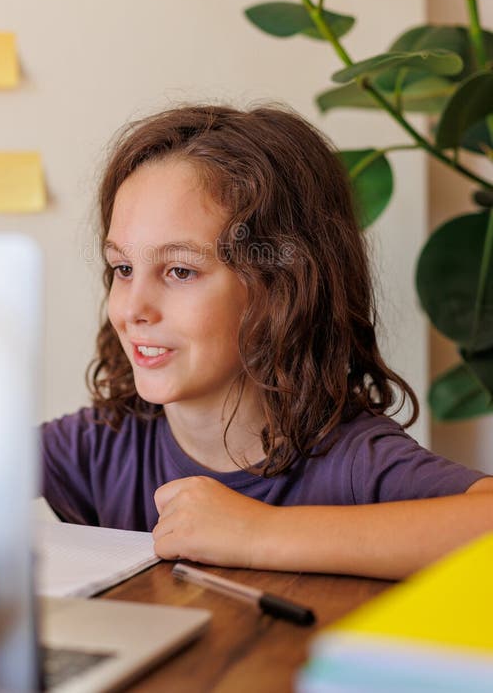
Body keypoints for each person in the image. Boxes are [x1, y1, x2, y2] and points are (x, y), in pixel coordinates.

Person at [42, 104, 493, 580]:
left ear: (284, 287)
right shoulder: (99, 444)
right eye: (124, 269)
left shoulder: (352, 460)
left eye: (180, 271)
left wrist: (258, 534)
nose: (133, 308)